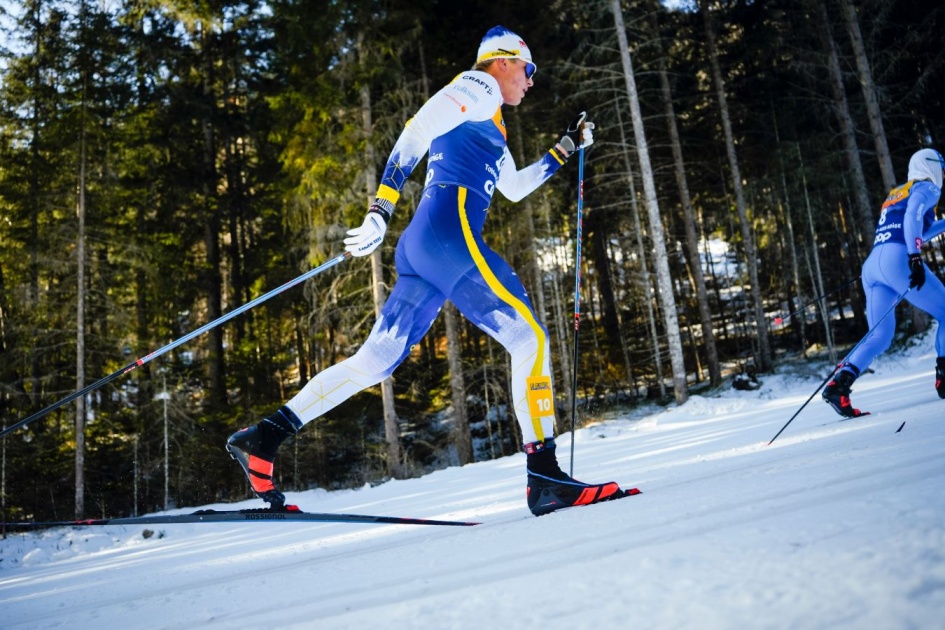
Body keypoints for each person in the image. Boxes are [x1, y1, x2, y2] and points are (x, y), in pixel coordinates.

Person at [226, 26, 632, 516]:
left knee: (373, 363)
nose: (530, 81)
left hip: (424, 248)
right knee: (531, 340)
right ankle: (545, 477)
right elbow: (416, 130)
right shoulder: (478, 87)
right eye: (529, 70)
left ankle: (265, 438)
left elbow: (516, 188)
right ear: (502, 62)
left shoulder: (491, 121)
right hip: (449, 234)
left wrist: (565, 148)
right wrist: (380, 209)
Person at [823, 148, 945, 417]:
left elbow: (915, 229)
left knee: (879, 335)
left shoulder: (897, 192)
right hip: (897, 259)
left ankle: (838, 385)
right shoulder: (928, 187)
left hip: (874, 266)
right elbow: (913, 217)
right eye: (943, 168)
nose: (943, 176)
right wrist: (914, 257)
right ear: (932, 166)